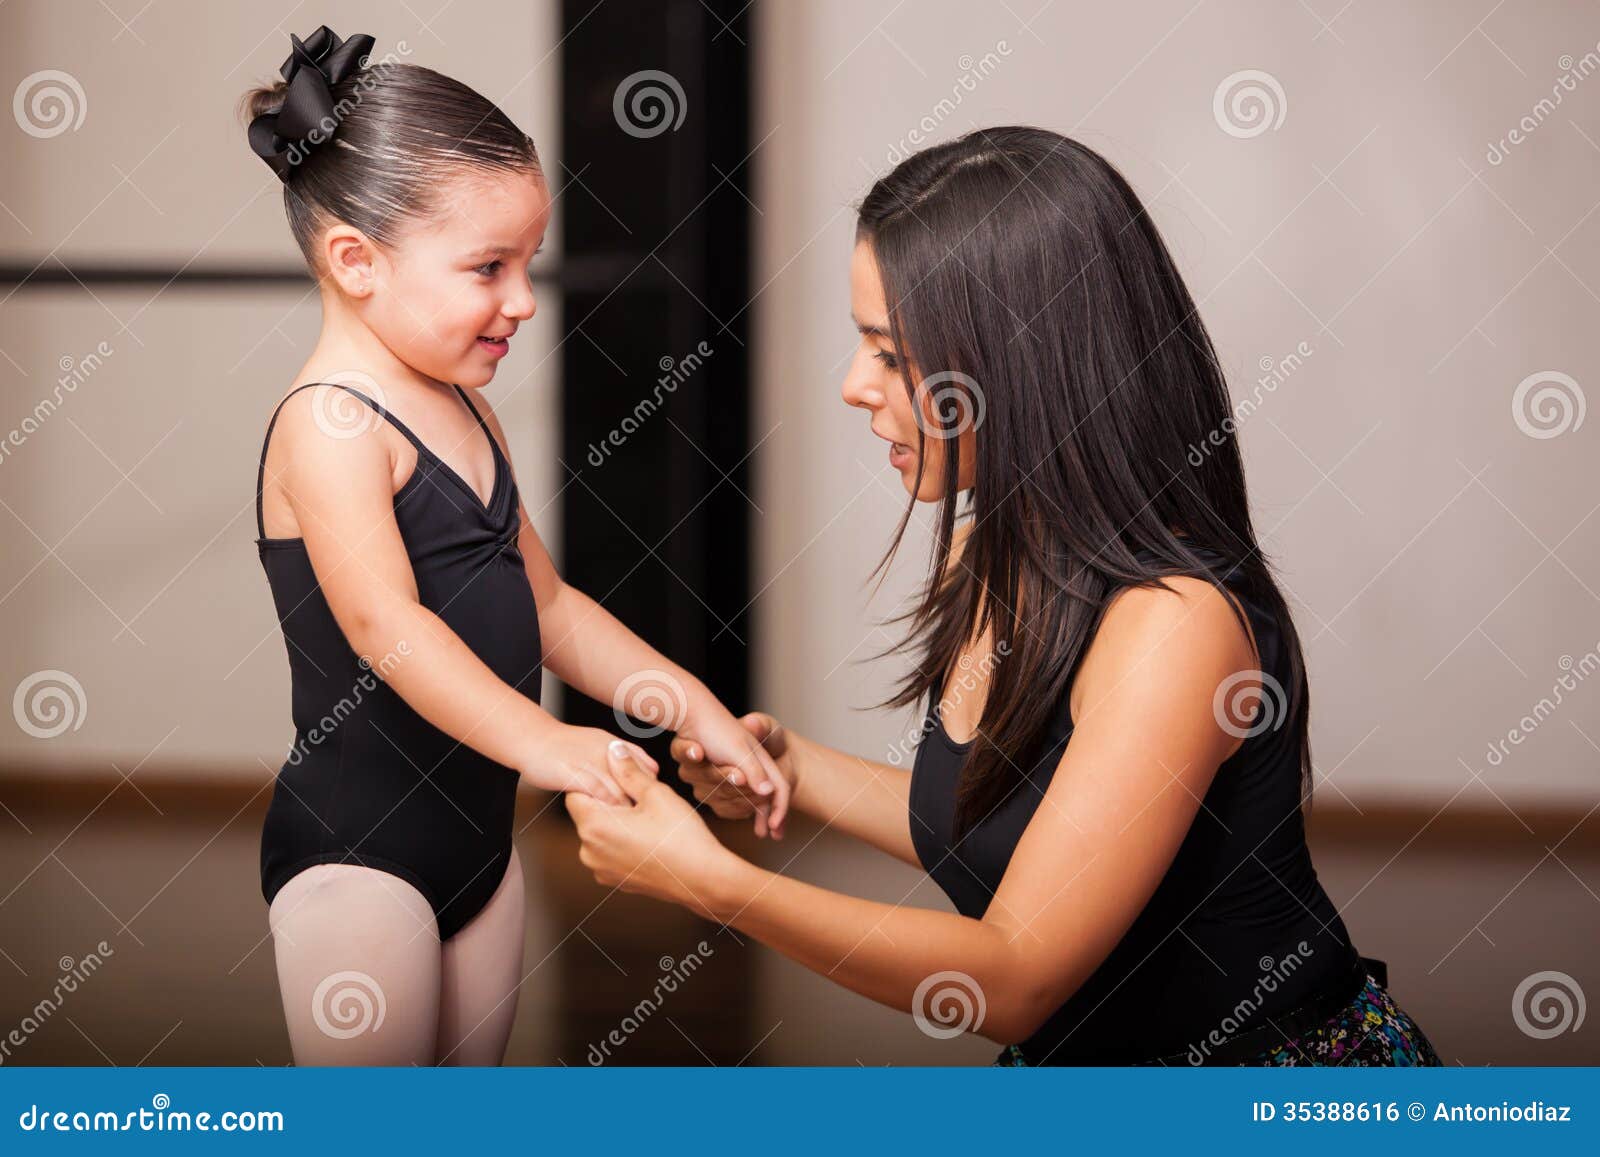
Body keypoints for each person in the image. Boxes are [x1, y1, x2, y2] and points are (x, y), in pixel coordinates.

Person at [566, 126, 1443, 1067]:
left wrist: (710, 882)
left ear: (1019, 365)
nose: (853, 386)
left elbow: (1016, 977)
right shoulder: (997, 550)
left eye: (891, 355)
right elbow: (1010, 825)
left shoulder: (1174, 626)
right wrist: (794, 769)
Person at [243, 25, 787, 1066]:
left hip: (480, 852)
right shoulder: (329, 423)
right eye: (488, 266)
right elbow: (384, 627)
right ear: (355, 259)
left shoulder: (464, 411)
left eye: (527, 261)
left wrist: (695, 706)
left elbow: (551, 609)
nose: (524, 299)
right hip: (360, 858)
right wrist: (547, 744)